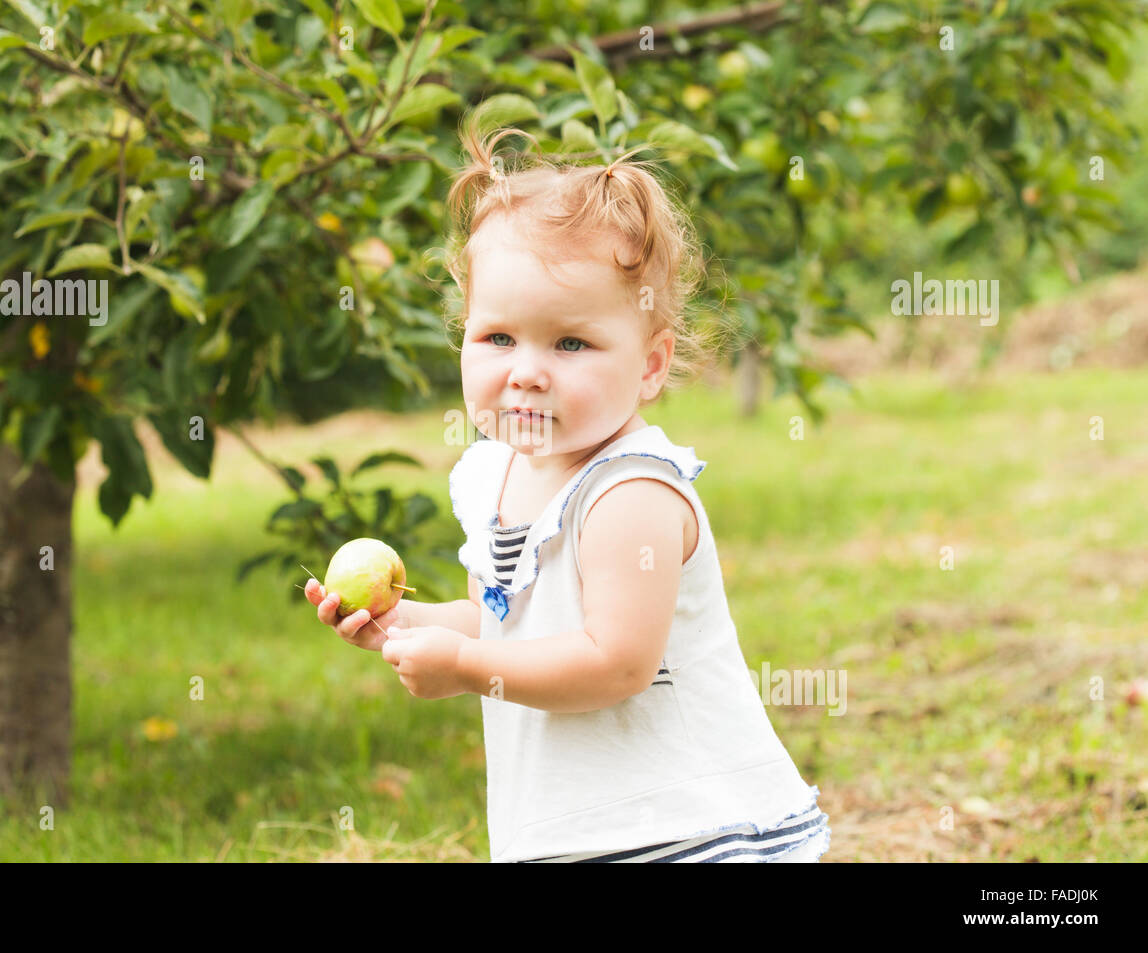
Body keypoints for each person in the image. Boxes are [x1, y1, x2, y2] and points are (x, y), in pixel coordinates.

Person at [306, 121, 830, 863]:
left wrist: (463, 671)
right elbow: (508, 625)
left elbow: (614, 662)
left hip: (690, 831)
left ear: (650, 366)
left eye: (570, 343)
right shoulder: (492, 475)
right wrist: (401, 623)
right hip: (582, 834)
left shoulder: (630, 494)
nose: (526, 371)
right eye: (497, 338)